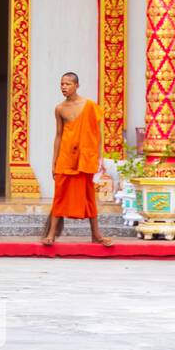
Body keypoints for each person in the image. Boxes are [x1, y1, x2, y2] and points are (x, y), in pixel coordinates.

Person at [42, 71, 112, 247]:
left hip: (84, 157)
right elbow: (58, 135)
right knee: (59, 194)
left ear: (76, 86)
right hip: (65, 156)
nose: (64, 87)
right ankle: (51, 234)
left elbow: (97, 134)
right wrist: (53, 161)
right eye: (62, 84)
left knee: (88, 196)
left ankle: (96, 234)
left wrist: (98, 157)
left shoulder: (89, 105)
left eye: (67, 84)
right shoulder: (59, 108)